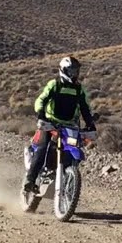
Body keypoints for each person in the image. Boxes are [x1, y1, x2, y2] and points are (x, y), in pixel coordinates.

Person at [23, 56, 97, 193]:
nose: (74, 74)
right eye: (72, 71)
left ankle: (67, 179)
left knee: (72, 148)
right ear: (64, 70)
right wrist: (40, 113)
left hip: (70, 126)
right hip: (51, 123)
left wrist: (90, 123)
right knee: (43, 148)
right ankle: (30, 180)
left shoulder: (79, 89)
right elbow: (41, 100)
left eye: (76, 71)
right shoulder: (54, 84)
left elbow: (85, 108)